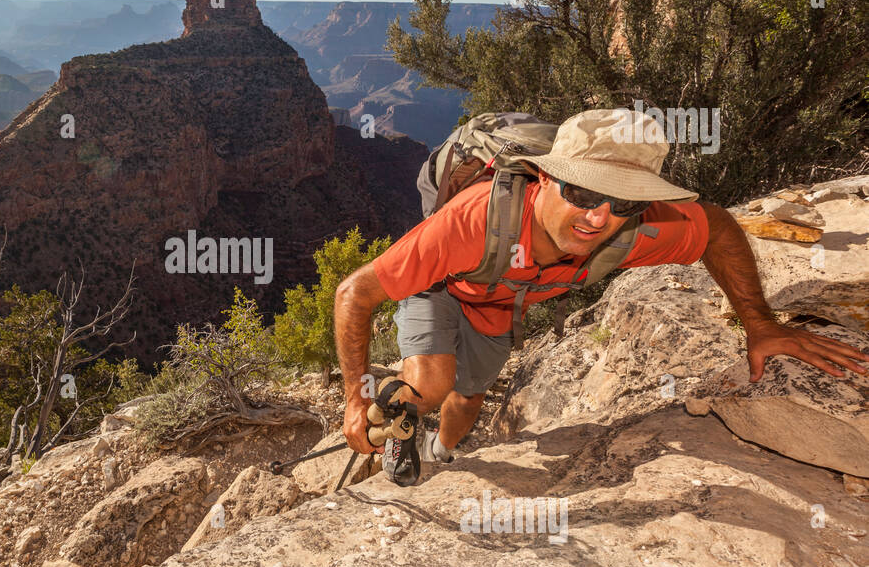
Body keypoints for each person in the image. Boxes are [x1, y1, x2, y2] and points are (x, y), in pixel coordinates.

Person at [334, 108, 868, 461]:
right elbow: (354, 294)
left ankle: (436, 453)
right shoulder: (473, 222)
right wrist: (355, 398)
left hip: (496, 307)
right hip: (445, 284)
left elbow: (718, 228)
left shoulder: (629, 231)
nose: (600, 217)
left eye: (626, 202)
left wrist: (759, 324)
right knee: (432, 385)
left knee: (469, 398)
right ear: (545, 176)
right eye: (584, 193)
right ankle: (394, 417)